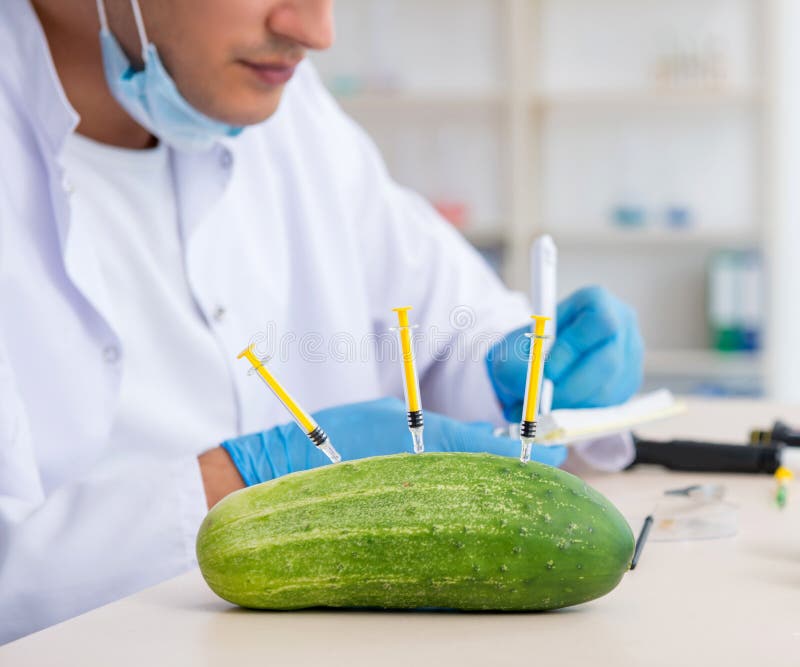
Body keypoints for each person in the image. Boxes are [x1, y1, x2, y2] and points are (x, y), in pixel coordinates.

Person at [0, 0, 644, 644]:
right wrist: (244, 478)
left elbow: (443, 314)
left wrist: (512, 362)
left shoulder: (279, 96)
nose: (315, 31)